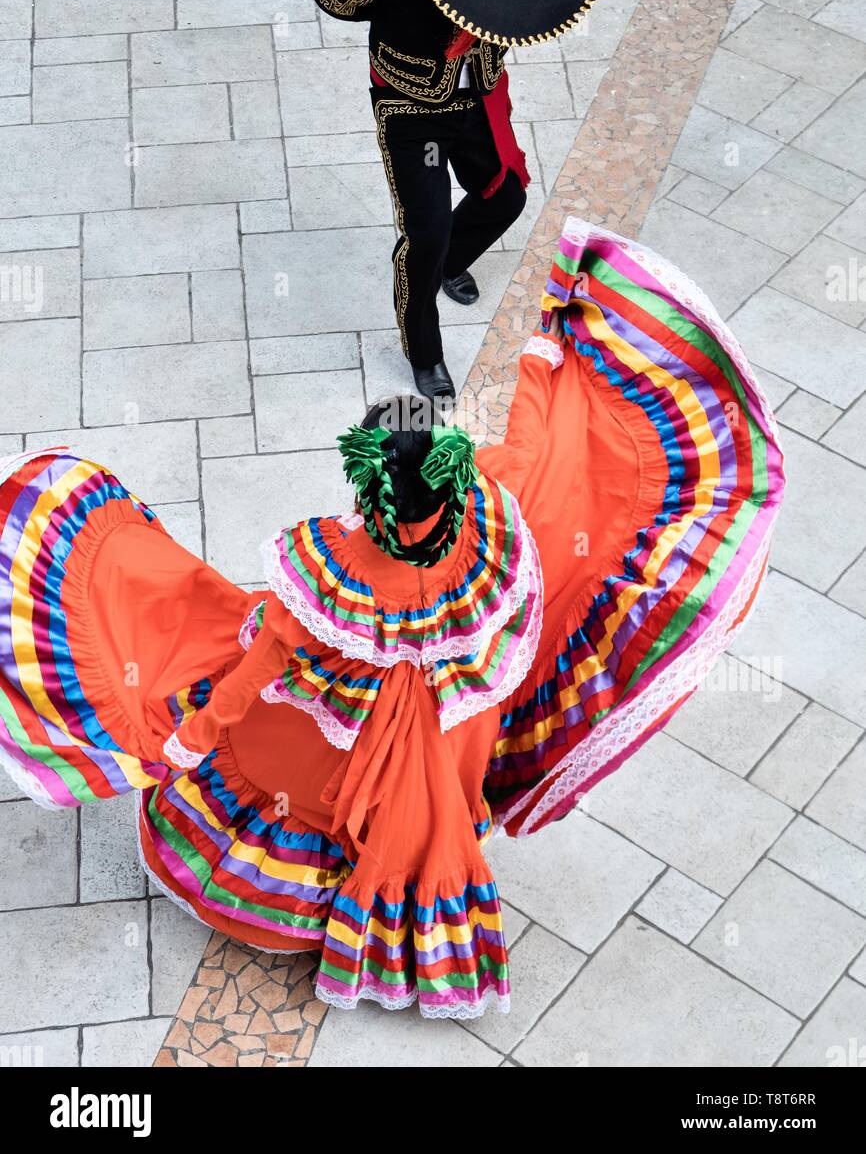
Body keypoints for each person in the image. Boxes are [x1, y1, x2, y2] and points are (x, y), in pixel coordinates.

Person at [0, 219, 784, 1020]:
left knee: (246, 711)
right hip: (436, 742)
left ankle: (282, 887)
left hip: (345, 749)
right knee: (415, 770)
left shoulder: (327, 583)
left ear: (365, 485)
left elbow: (245, 684)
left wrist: (183, 742)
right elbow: (530, 448)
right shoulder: (488, 525)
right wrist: (546, 361)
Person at [311, 0, 608, 403]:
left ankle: (452, 260)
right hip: (410, 106)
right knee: (425, 231)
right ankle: (425, 350)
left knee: (509, 194)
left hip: (475, 94)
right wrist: (389, 3)